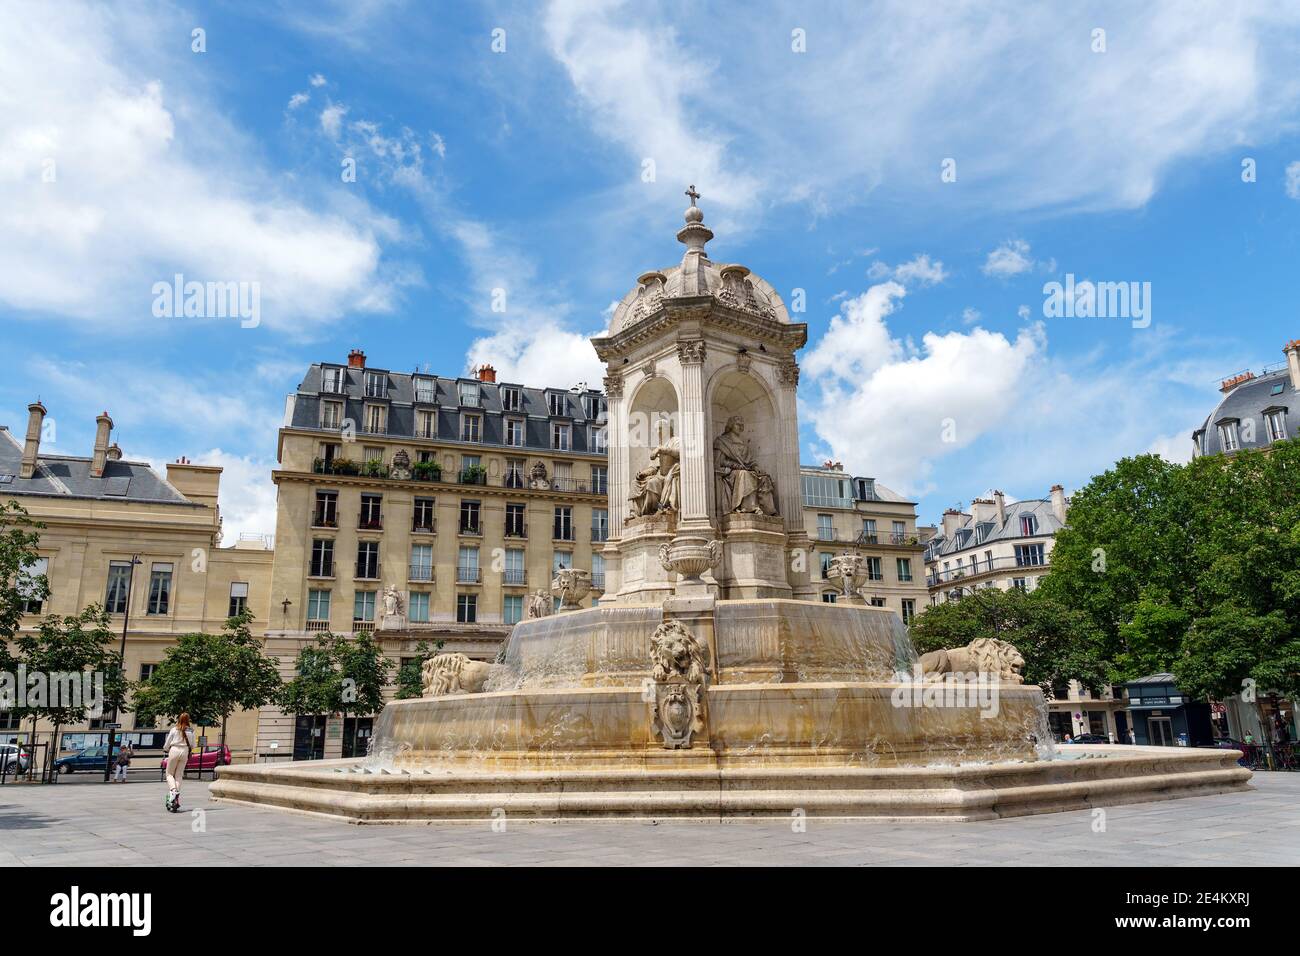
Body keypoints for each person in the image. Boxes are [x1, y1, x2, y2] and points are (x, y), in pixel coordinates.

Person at [163, 713, 192, 811]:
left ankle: (173, 791)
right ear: (188, 720)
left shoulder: (174, 729)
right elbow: (193, 745)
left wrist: (165, 749)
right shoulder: (191, 730)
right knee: (179, 775)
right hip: (185, 751)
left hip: (174, 750)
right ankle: (176, 797)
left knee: (169, 774)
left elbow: (167, 744)